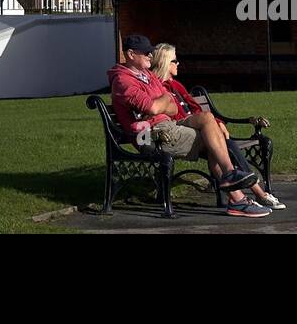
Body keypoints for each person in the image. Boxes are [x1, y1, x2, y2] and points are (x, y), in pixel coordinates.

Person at [107, 34, 267, 217]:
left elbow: (173, 108)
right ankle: (237, 198)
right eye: (146, 53)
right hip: (151, 135)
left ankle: (231, 177)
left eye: (151, 53)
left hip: (168, 124)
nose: (150, 56)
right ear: (130, 54)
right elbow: (153, 107)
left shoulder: (148, 76)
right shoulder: (123, 81)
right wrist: (163, 101)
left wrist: (163, 103)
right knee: (213, 141)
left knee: (207, 118)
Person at [151, 43, 286, 212]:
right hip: (186, 131)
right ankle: (259, 193)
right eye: (175, 60)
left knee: (225, 145)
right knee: (227, 146)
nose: (179, 64)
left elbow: (198, 109)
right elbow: (171, 117)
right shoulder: (157, 86)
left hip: (200, 128)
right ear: (164, 62)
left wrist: (219, 124)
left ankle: (247, 196)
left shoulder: (176, 85)